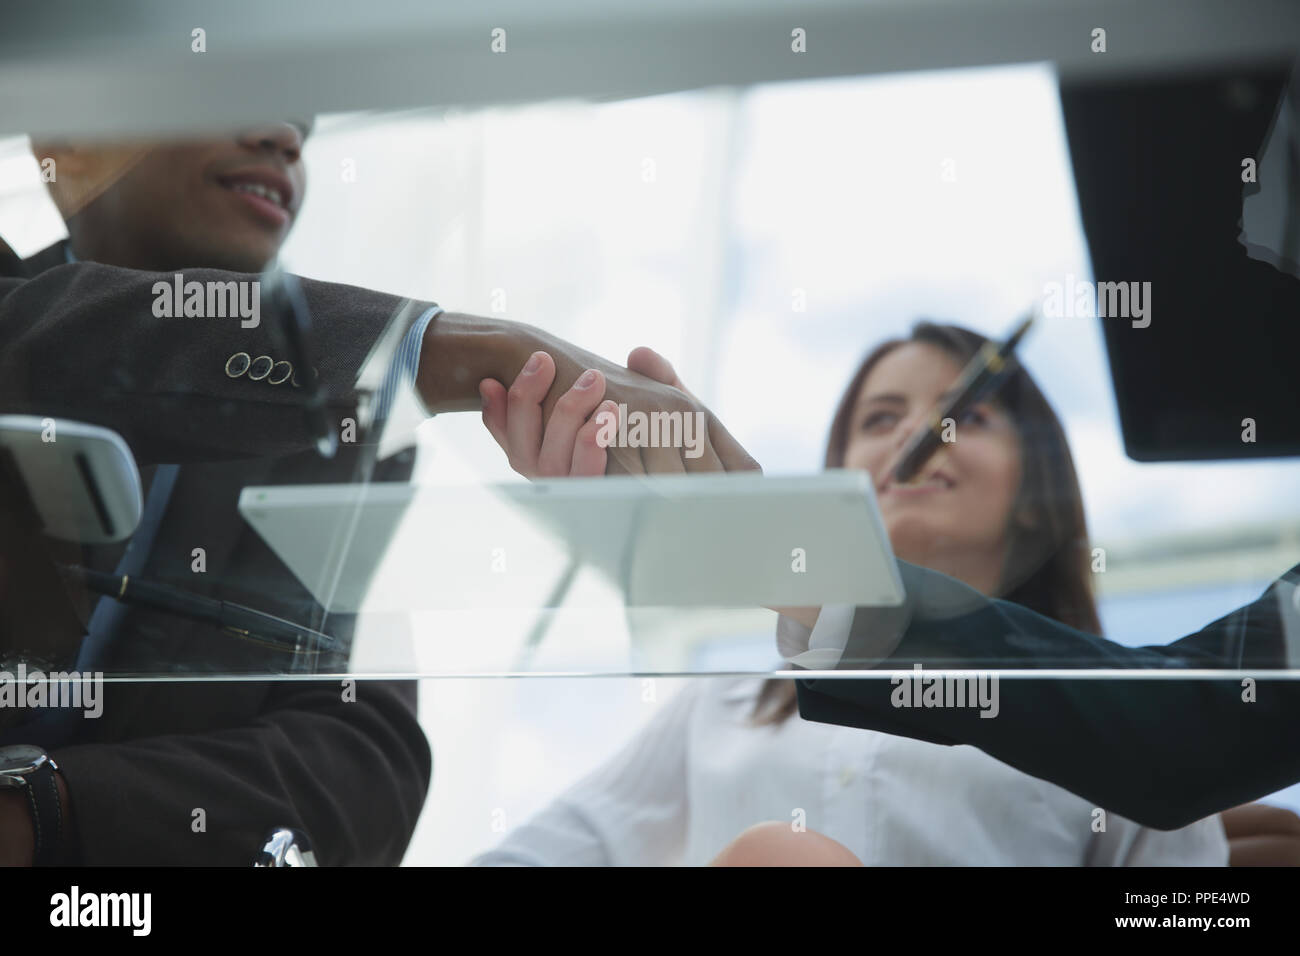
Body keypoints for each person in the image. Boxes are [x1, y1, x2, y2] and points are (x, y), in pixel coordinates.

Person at [0, 121, 754, 866]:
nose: (284, 136)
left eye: (304, 118)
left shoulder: (343, 446)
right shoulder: (26, 318)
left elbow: (364, 762)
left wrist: (51, 812)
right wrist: (459, 351)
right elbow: (63, 340)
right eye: (231, 88)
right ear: (65, 142)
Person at [469, 322, 1228, 866]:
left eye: (969, 414)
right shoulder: (723, 705)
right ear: (844, 474)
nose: (920, 435)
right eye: (881, 418)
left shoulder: (1121, 714)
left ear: (1038, 491)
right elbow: (558, 849)